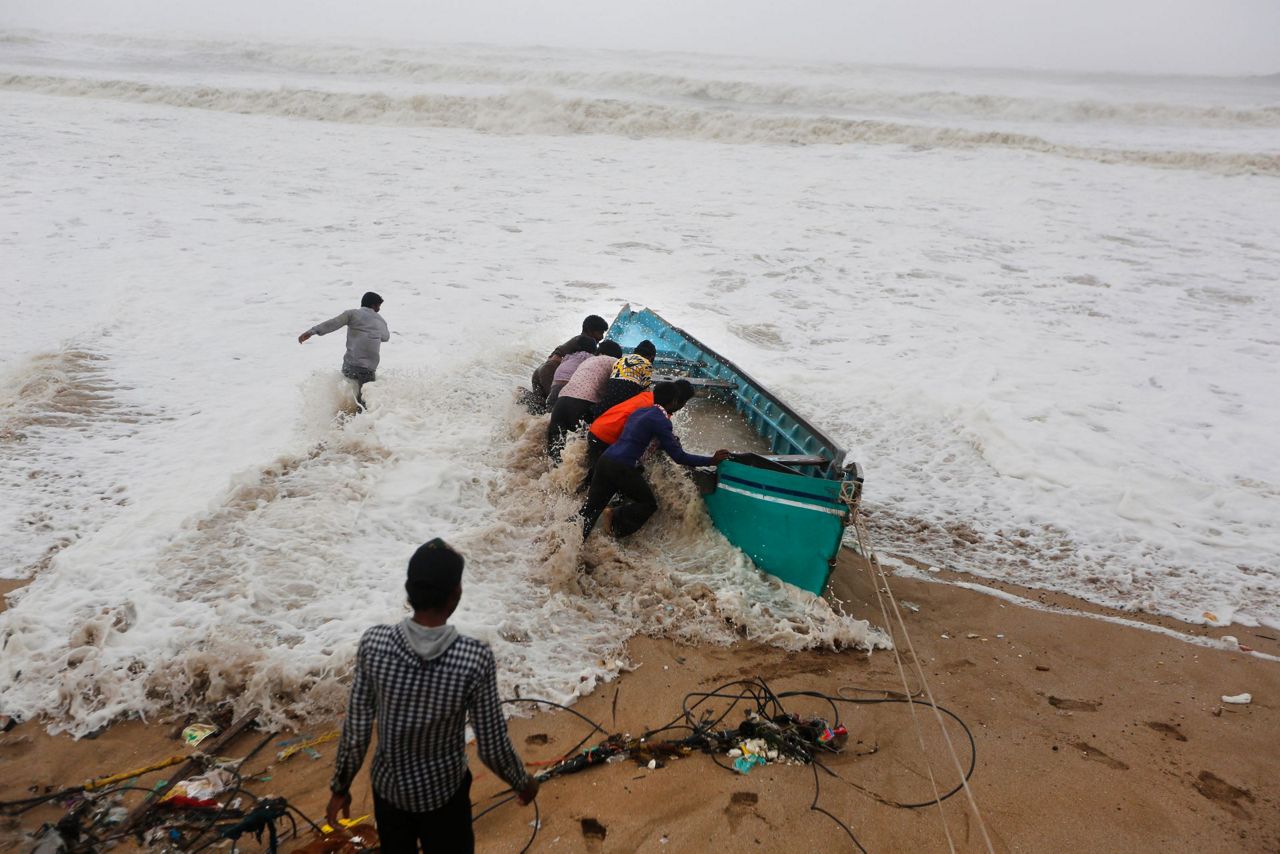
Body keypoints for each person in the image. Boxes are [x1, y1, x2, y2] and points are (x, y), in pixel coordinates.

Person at [327, 539, 538, 853]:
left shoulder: (375, 644)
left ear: (409, 590)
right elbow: (492, 746)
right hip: (444, 797)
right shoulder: (472, 657)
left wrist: (340, 788)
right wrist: (523, 782)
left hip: (390, 794)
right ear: (456, 594)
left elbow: (356, 732)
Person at [580, 381, 730, 539]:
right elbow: (679, 457)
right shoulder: (662, 422)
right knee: (648, 504)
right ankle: (615, 525)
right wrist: (711, 460)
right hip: (622, 467)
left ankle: (568, 542)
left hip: (605, 460)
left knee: (589, 511)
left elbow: (639, 437)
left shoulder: (640, 412)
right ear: (674, 401)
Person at [578, 379, 695, 487]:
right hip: (608, 439)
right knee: (622, 476)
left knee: (595, 476)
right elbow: (659, 440)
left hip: (596, 429)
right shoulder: (661, 410)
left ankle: (575, 495)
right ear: (678, 401)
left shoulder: (648, 395)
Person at [299, 292, 390, 412]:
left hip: (350, 365)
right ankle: (363, 425)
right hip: (368, 369)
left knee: (346, 388)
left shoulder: (352, 314)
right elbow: (385, 337)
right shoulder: (381, 321)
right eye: (378, 306)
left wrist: (312, 331)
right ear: (373, 305)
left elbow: (333, 323)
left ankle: (340, 413)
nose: (379, 309)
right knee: (365, 401)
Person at [546, 340, 624, 460]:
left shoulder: (587, 361)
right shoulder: (615, 362)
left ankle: (547, 476)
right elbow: (616, 389)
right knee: (580, 449)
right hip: (582, 403)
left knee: (555, 451)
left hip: (561, 401)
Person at [531, 315, 609, 405]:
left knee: (539, 406)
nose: (602, 337)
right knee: (554, 406)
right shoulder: (583, 341)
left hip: (541, 371)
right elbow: (557, 354)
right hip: (549, 371)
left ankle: (522, 396)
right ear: (590, 331)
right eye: (600, 333)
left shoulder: (579, 341)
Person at [591, 340, 656, 418]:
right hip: (630, 386)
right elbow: (645, 386)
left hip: (613, 383)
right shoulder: (647, 363)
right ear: (651, 357)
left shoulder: (622, 359)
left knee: (609, 403)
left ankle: (590, 415)